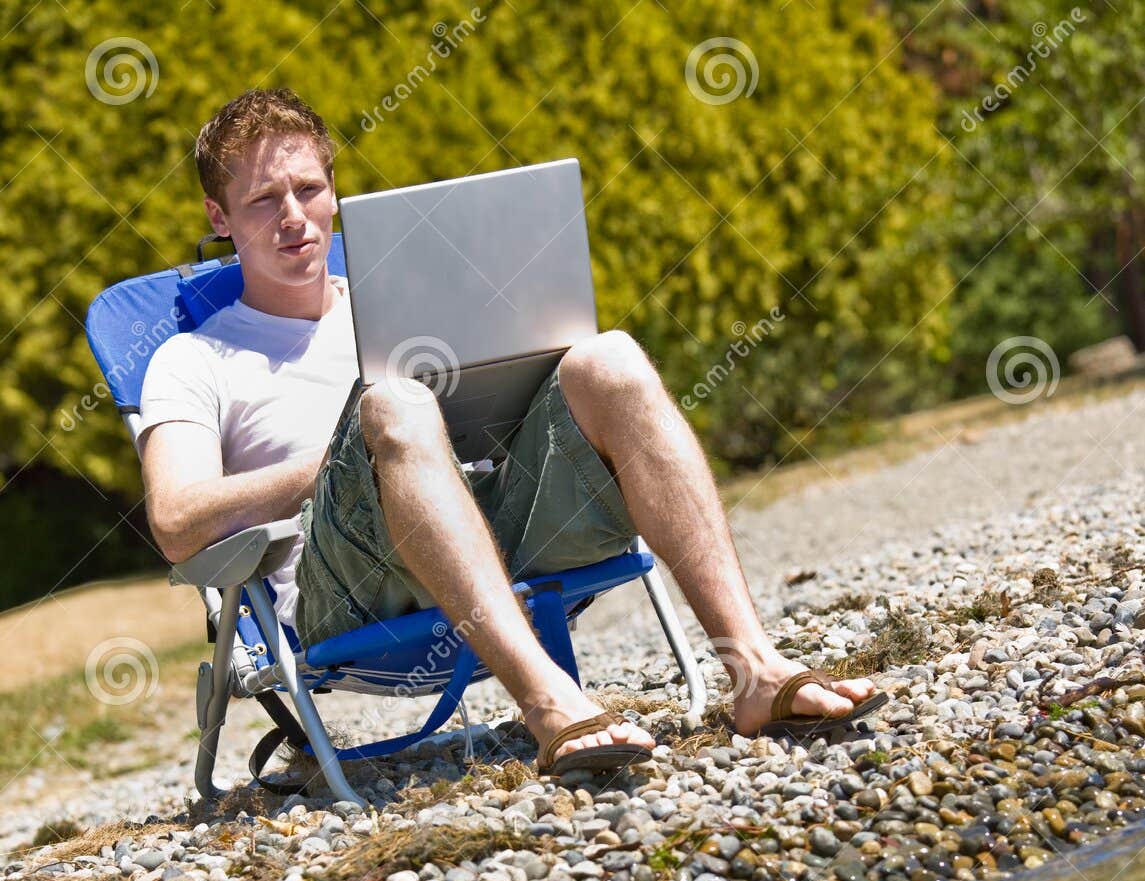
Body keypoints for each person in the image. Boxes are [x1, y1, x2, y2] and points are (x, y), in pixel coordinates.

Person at [139, 88, 881, 777]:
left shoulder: (409, 297)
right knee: (393, 403)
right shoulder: (196, 357)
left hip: (496, 534)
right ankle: (549, 704)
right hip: (354, 591)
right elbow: (175, 524)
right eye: (263, 200)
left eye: (308, 189)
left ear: (334, 190)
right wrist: (346, 458)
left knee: (609, 358)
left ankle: (755, 670)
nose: (294, 217)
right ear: (219, 217)